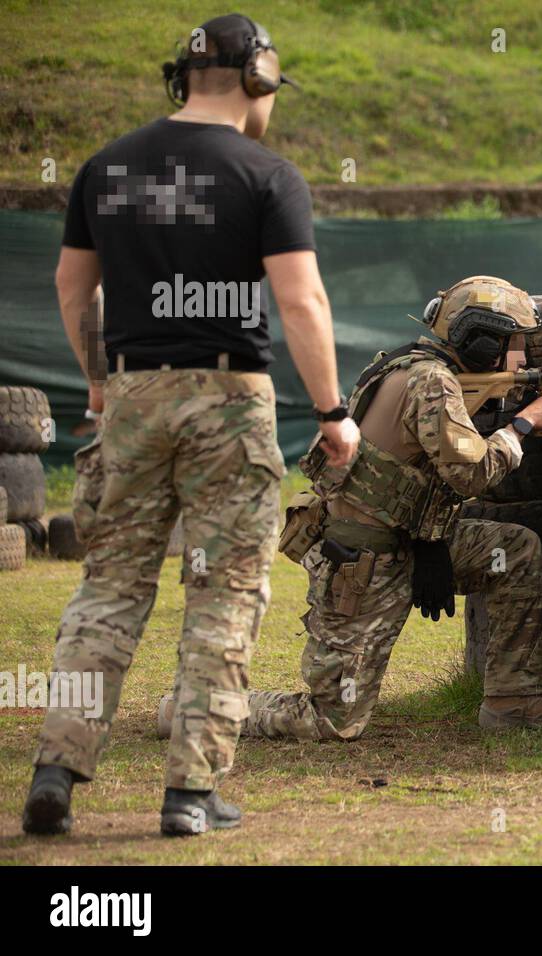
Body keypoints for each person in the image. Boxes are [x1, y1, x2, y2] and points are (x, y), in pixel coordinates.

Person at [22, 14, 360, 838]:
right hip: (227, 401)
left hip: (133, 398)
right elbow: (301, 300)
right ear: (258, 82)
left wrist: (101, 386)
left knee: (108, 589)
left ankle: (56, 773)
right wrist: (332, 413)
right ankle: (190, 794)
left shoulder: (105, 168)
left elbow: (74, 289)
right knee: (225, 594)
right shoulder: (266, 174)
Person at [167, 275, 542, 743]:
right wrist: (521, 424)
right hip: (363, 565)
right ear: (481, 341)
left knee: (514, 551)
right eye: (513, 342)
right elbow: (471, 473)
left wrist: (434, 544)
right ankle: (198, 708)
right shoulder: (432, 382)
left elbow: (420, 472)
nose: (520, 355)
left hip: (407, 544)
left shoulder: (407, 365)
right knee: (333, 720)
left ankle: (511, 702)